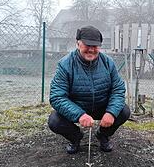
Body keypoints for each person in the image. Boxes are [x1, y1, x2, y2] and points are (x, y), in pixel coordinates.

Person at [48, 25, 131, 154]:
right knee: (54, 120)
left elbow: (118, 89)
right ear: (78, 44)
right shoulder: (65, 64)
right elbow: (57, 96)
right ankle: (76, 137)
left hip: (101, 107)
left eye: (95, 46)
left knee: (124, 111)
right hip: (77, 107)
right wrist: (79, 114)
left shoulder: (108, 63)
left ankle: (103, 135)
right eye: (87, 45)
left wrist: (111, 112)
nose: (91, 50)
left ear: (100, 46)